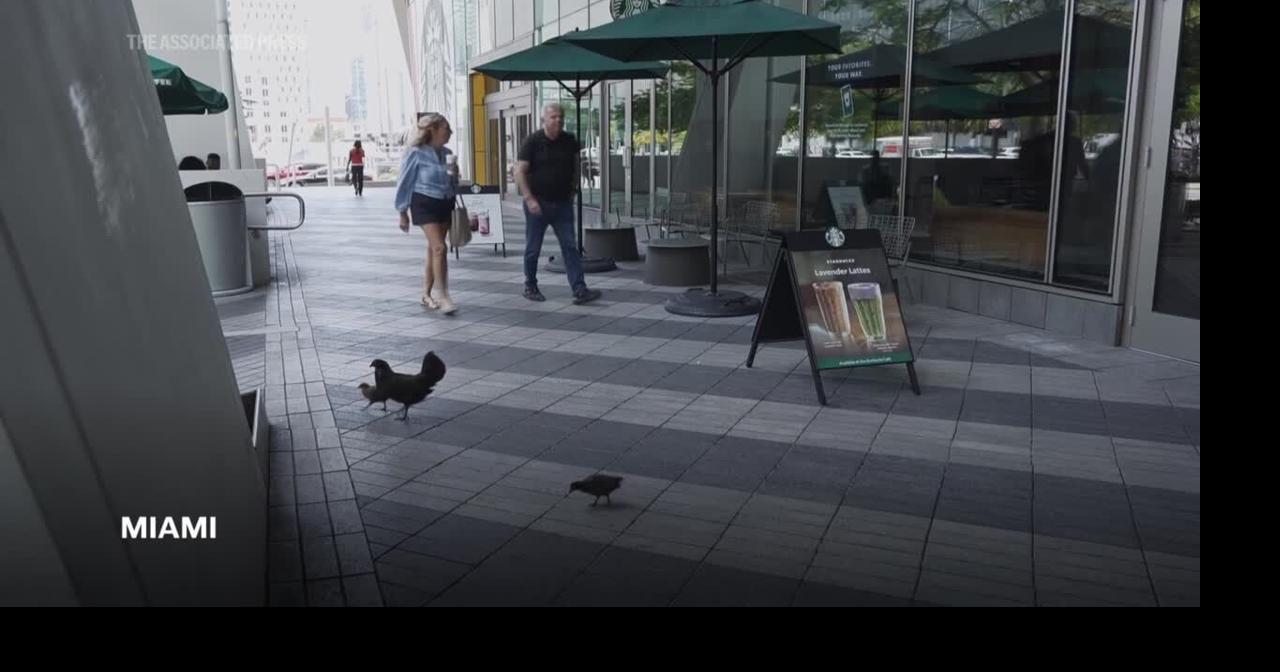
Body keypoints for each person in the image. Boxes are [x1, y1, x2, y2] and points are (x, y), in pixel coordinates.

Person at [514, 102, 601, 305]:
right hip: (537, 204)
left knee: (570, 247)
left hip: (562, 204)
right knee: (533, 248)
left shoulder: (569, 141)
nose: (558, 120)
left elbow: (577, 165)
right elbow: (519, 171)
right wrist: (529, 198)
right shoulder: (533, 141)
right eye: (553, 116)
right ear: (544, 119)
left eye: (561, 116)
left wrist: (573, 189)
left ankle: (579, 289)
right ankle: (530, 285)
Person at [394, 113, 459, 314]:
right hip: (424, 203)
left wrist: (455, 174)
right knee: (440, 248)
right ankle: (444, 296)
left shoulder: (447, 152)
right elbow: (404, 181)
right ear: (434, 130)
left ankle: (426, 293)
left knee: (433, 250)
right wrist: (402, 211)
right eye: (446, 127)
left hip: (445, 203)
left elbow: (453, 183)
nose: (450, 132)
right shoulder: (416, 152)